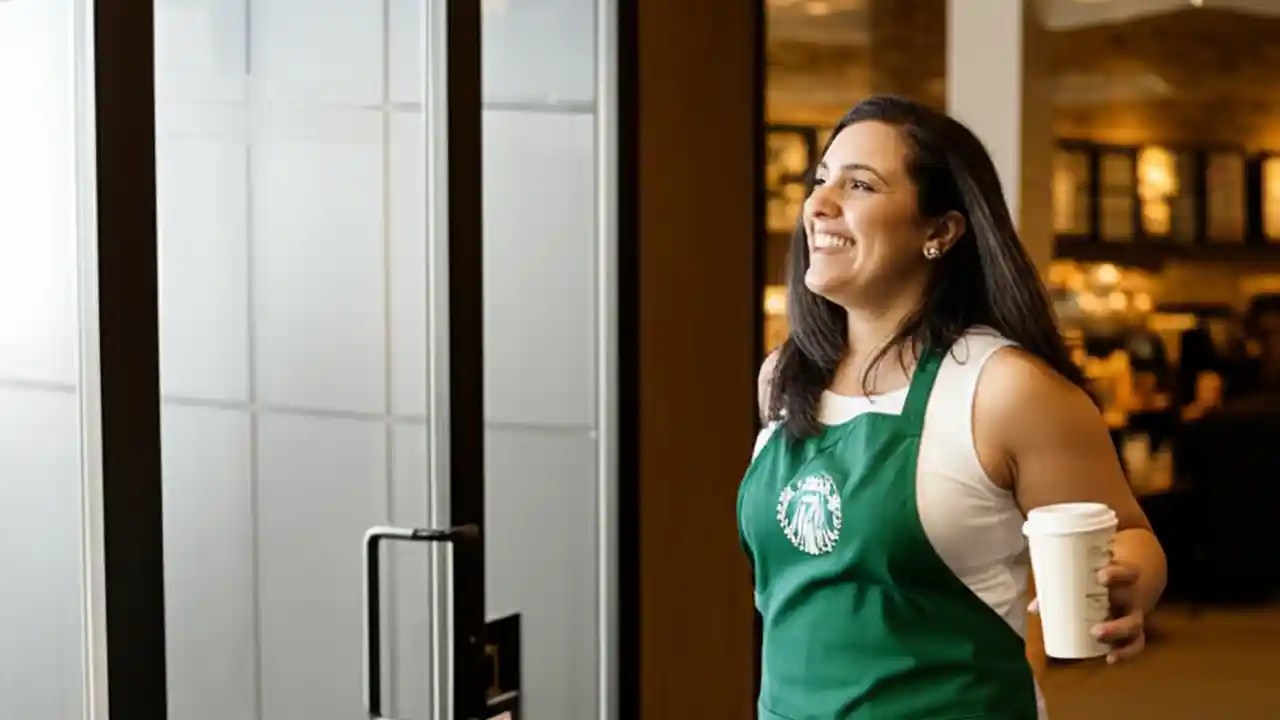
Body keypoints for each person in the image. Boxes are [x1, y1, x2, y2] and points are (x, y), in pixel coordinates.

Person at [738, 96, 1167, 719]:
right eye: (820, 179)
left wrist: (1128, 583)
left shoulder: (1005, 389)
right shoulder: (784, 377)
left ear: (940, 232)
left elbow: (1129, 534)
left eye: (859, 184)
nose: (819, 204)